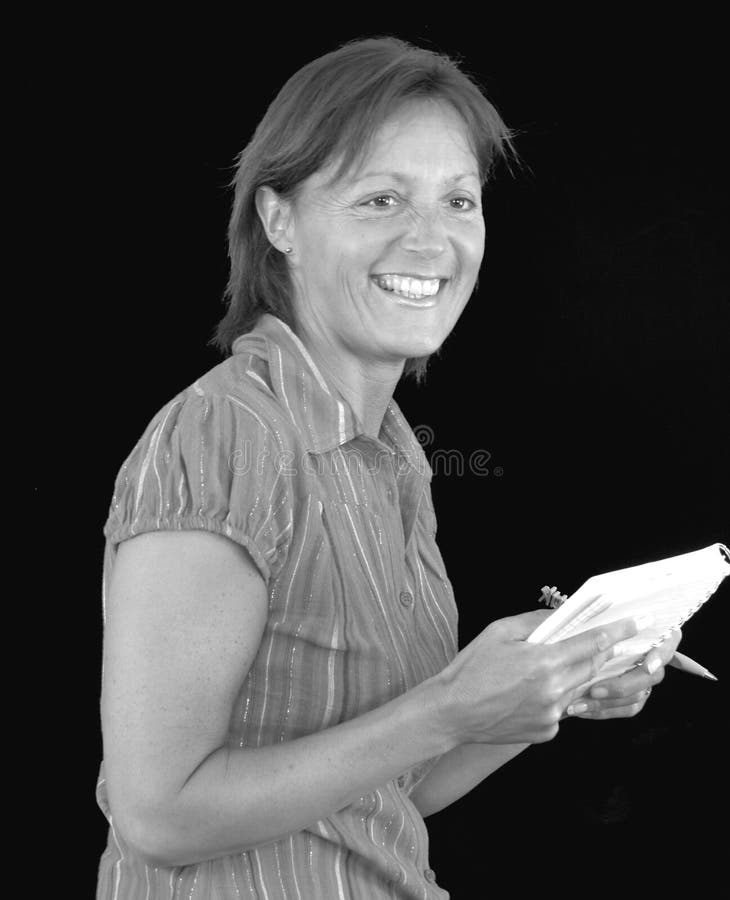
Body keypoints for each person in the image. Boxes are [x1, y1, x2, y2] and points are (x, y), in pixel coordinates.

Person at [95, 36, 681, 899]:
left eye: (459, 200)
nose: (431, 240)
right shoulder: (222, 437)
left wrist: (544, 687)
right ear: (278, 220)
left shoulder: (392, 455)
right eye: (379, 199)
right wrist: (446, 704)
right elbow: (160, 816)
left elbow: (388, 790)